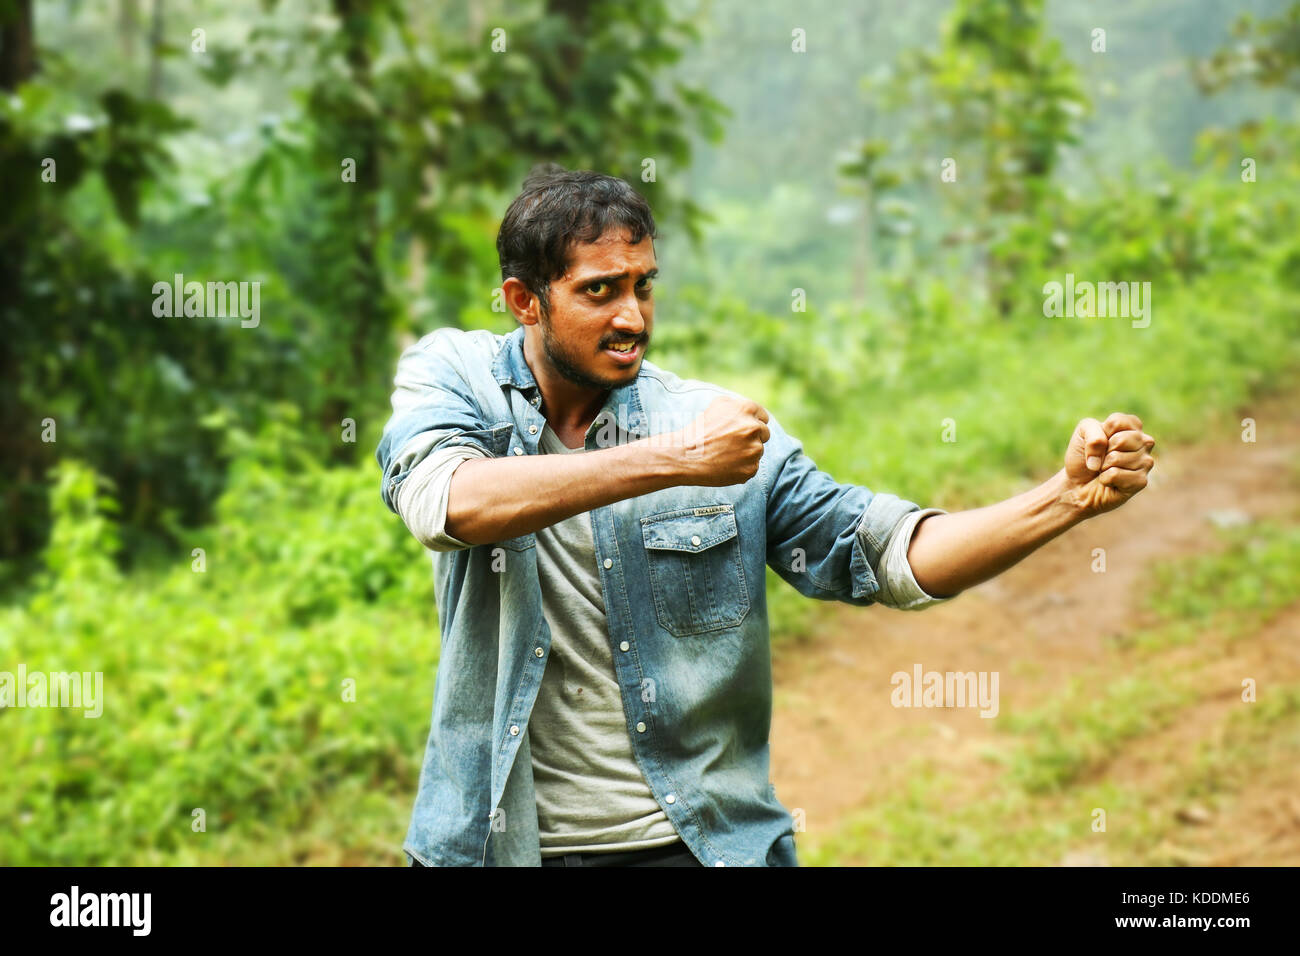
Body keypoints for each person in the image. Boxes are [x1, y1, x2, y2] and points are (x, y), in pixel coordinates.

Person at [375, 164, 1156, 867]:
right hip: (489, 846)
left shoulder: (719, 426)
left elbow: (884, 554)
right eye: (599, 290)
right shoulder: (458, 378)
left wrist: (1063, 498)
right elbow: (448, 503)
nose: (633, 318)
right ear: (524, 302)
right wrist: (677, 461)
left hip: (693, 846)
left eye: (643, 285)